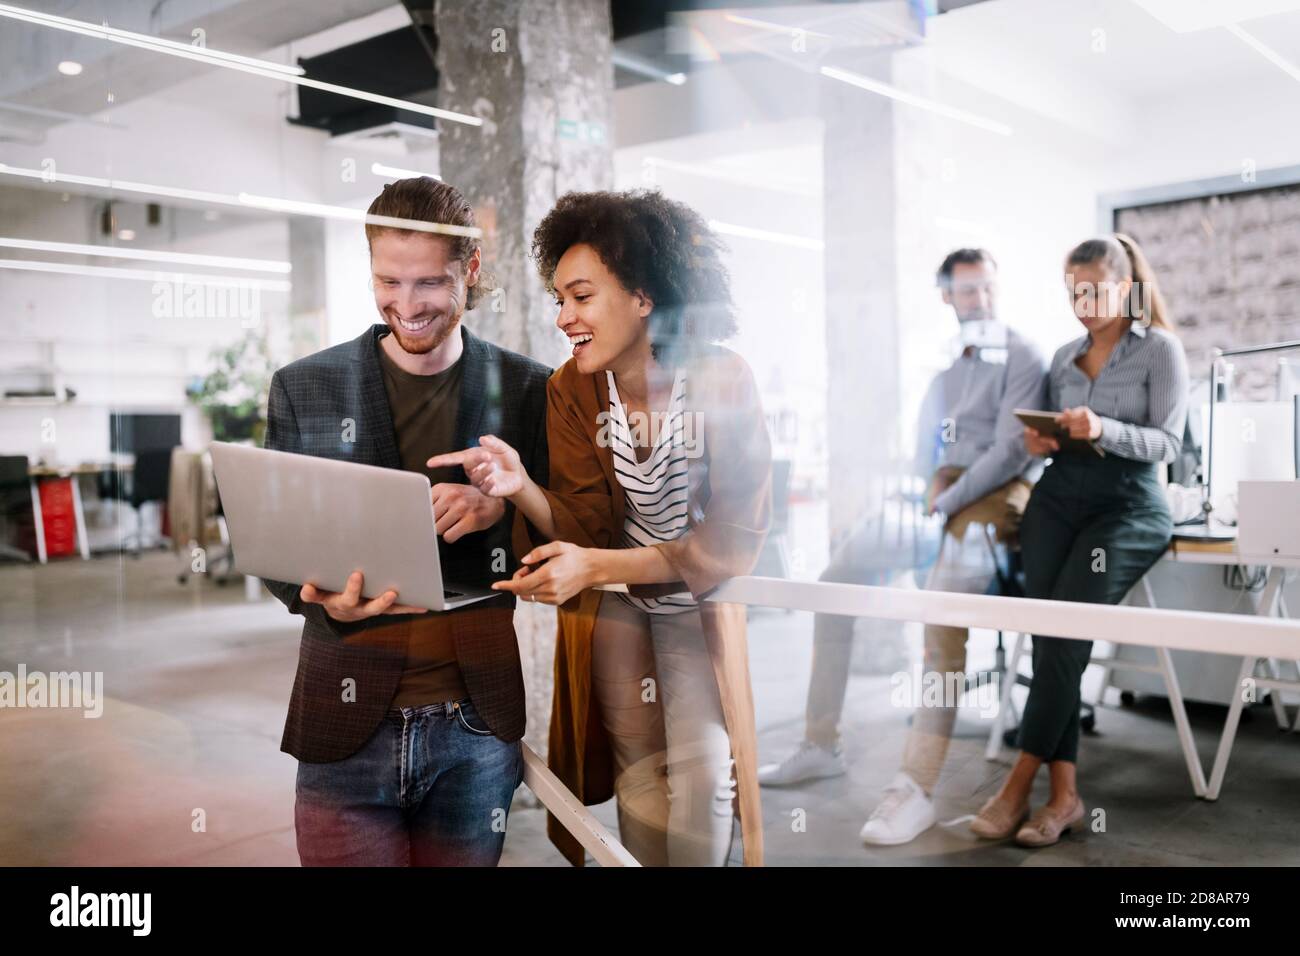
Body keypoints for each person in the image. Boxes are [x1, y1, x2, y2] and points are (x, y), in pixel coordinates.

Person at [430, 189, 771, 866]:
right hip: (616, 611)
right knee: (639, 776)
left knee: (704, 772)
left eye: (581, 297)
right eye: (560, 298)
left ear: (643, 296)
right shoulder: (572, 389)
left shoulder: (723, 378)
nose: (564, 317)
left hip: (695, 604)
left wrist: (601, 568)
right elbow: (583, 522)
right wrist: (522, 484)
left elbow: (732, 537)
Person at [261, 177, 550, 866]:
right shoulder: (306, 387)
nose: (407, 305)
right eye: (388, 281)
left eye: (428, 283)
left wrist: (503, 506)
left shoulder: (530, 389)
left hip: (474, 729)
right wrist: (313, 593)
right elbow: (275, 548)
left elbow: (562, 538)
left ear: (470, 269)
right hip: (345, 720)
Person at [759, 248, 1048, 848]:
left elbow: (1009, 452)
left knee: (941, 611)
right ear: (947, 296)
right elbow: (924, 448)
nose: (981, 301)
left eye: (988, 288)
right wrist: (924, 491)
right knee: (835, 577)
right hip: (939, 499)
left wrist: (944, 496)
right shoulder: (947, 368)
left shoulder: (1023, 355)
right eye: (967, 291)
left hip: (998, 498)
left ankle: (915, 787)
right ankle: (820, 742)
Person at [971, 233, 1188, 847]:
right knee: (1049, 634)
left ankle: (1017, 785)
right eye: (1074, 292)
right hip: (1058, 499)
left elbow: (1168, 445)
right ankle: (1064, 797)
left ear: (1127, 286)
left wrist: (1106, 428)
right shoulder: (1063, 357)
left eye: (1096, 289)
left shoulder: (1160, 351)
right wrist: (1045, 441)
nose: (1084, 303)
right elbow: (1046, 437)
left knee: (1063, 631)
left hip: (1127, 505)